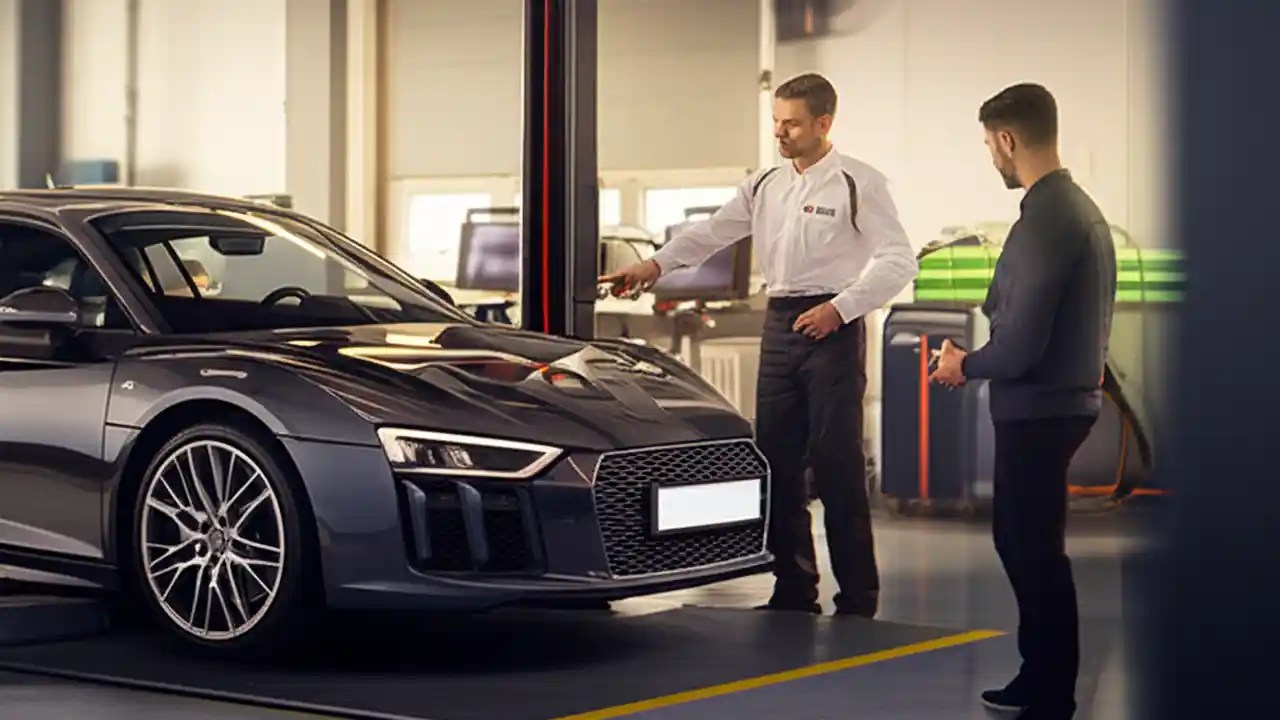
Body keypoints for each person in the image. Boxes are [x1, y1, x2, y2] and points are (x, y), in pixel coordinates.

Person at [599, 73, 918, 618]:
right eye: (776, 121)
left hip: (834, 326)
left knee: (838, 464)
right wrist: (655, 265)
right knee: (777, 463)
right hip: (780, 323)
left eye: (791, 123)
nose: (781, 132)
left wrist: (840, 308)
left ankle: (859, 598)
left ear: (824, 123)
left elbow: (898, 261)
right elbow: (714, 232)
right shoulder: (766, 183)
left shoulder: (858, 182)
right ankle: (793, 589)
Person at [930, 83, 1117, 719]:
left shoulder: (1048, 217)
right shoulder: (1072, 210)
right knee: (1025, 541)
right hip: (1057, 404)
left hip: (1040, 408)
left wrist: (963, 364)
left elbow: (1020, 344)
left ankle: (1049, 690)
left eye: (989, 144)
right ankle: (1039, 676)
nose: (991, 157)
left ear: (1008, 140)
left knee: (1029, 545)